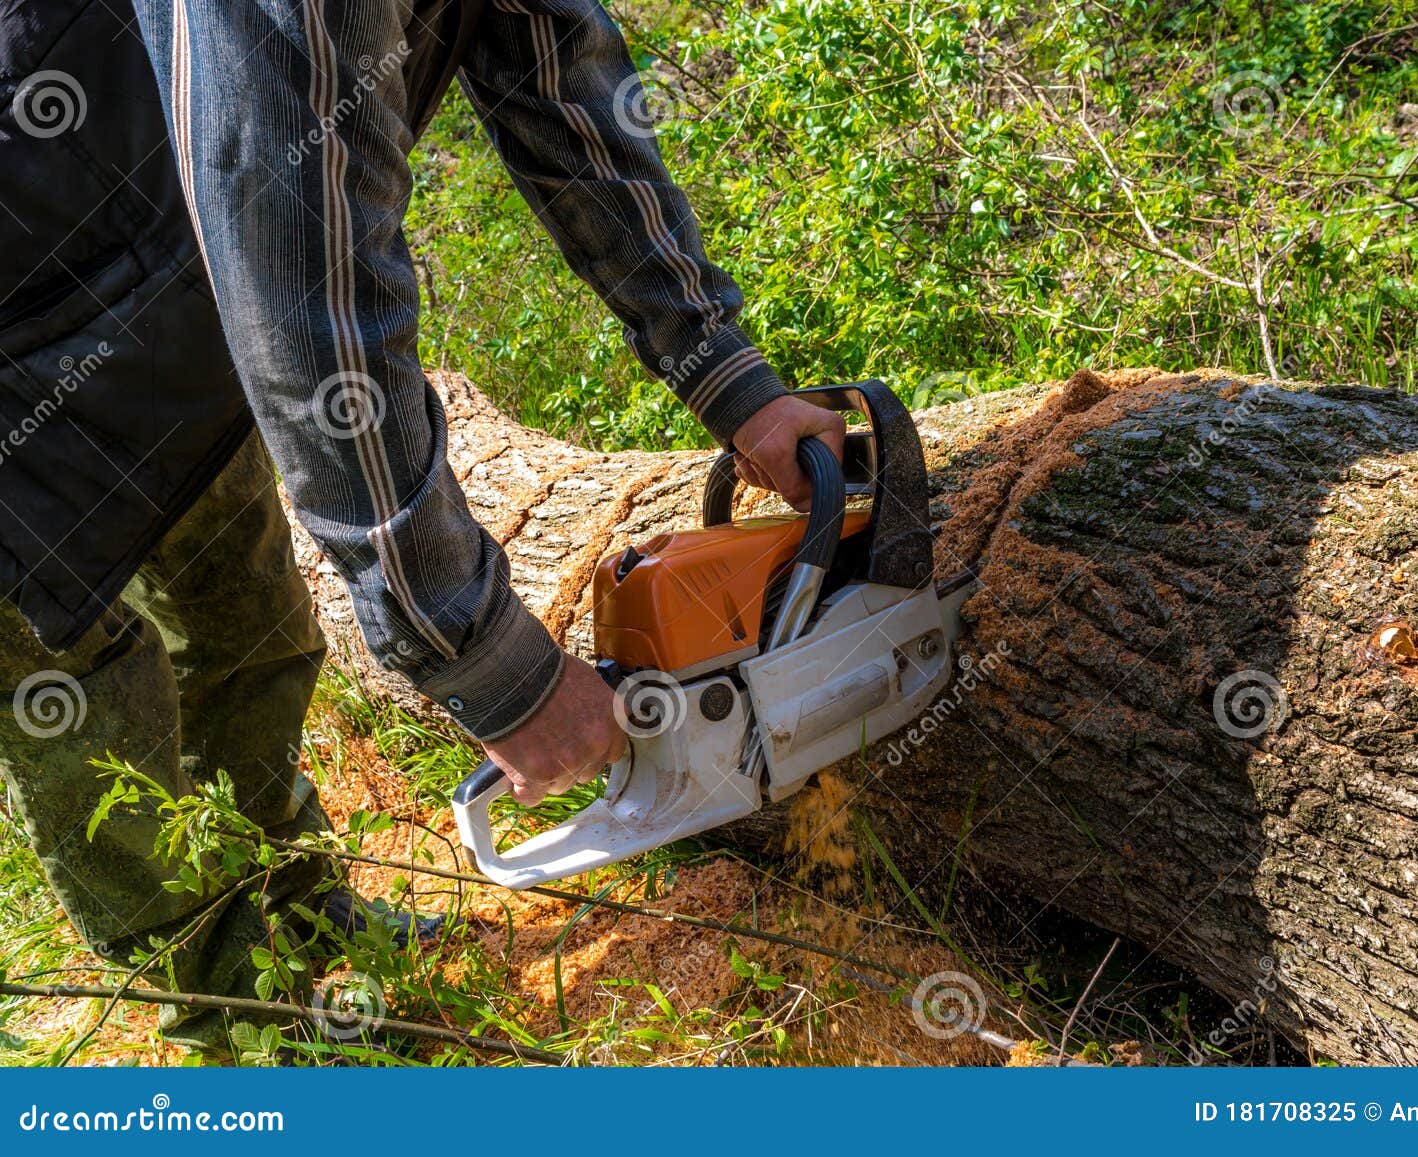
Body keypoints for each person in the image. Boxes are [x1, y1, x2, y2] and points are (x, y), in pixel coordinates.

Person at [0, 0, 843, 1054]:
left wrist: (720, 368)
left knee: (250, 637)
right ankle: (251, 1028)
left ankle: (303, 914)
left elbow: (555, 77)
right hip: (49, 342)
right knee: (88, 707)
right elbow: (309, 285)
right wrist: (485, 658)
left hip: (160, 312)